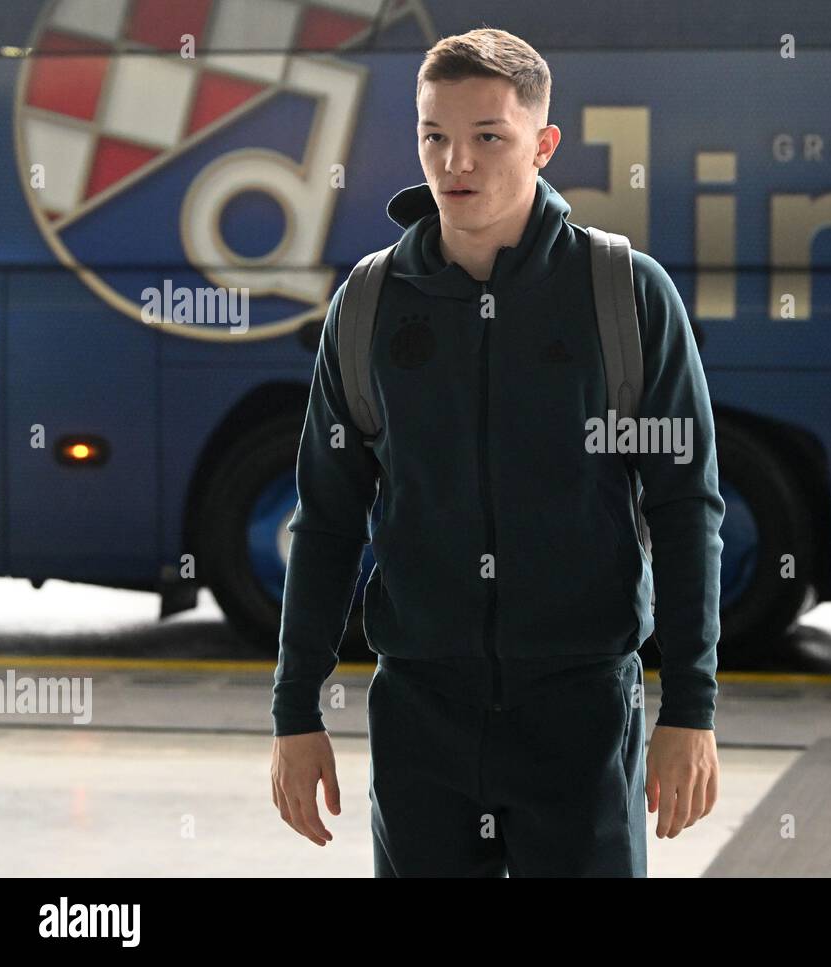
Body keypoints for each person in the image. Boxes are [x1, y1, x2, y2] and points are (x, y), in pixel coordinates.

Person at [269, 26, 725, 877]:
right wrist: (295, 712)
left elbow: (686, 507)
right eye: (435, 136)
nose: (455, 163)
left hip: (582, 719)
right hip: (420, 721)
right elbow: (328, 522)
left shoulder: (624, 295)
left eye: (488, 137)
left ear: (544, 145)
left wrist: (689, 711)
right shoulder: (368, 306)